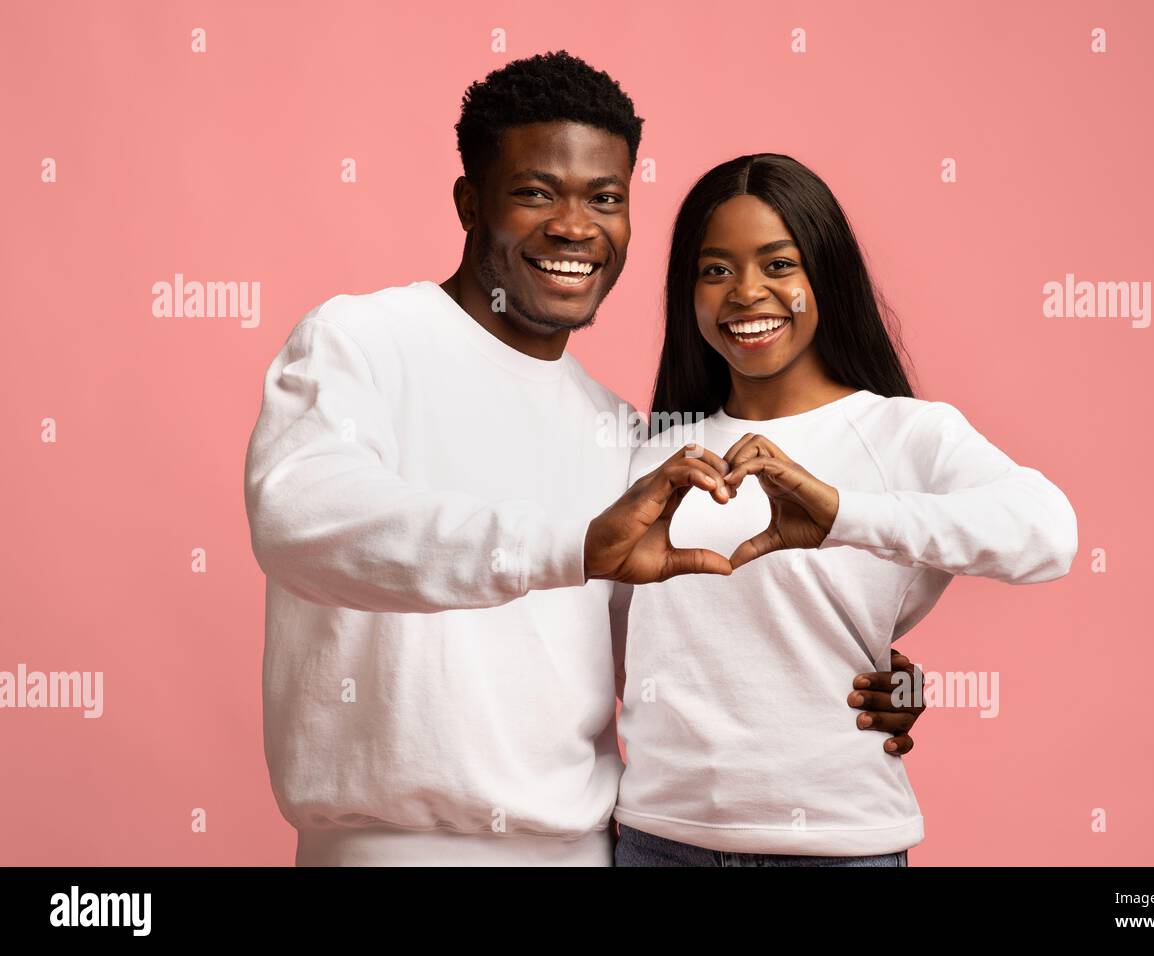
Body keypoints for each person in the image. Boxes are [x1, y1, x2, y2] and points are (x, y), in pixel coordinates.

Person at [243, 52, 921, 867]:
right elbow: (305, 518)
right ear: (469, 201)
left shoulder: (619, 429)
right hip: (394, 847)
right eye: (535, 192)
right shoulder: (361, 341)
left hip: (596, 849)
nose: (574, 226)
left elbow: (677, 652)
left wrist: (847, 671)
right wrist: (565, 546)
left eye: (605, 198)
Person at [611, 154, 1079, 866]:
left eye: (778, 265)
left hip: (840, 841)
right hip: (661, 839)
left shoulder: (906, 434)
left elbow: (1048, 535)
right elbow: (607, 649)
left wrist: (844, 515)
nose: (746, 292)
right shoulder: (652, 457)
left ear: (824, 275)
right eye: (715, 270)